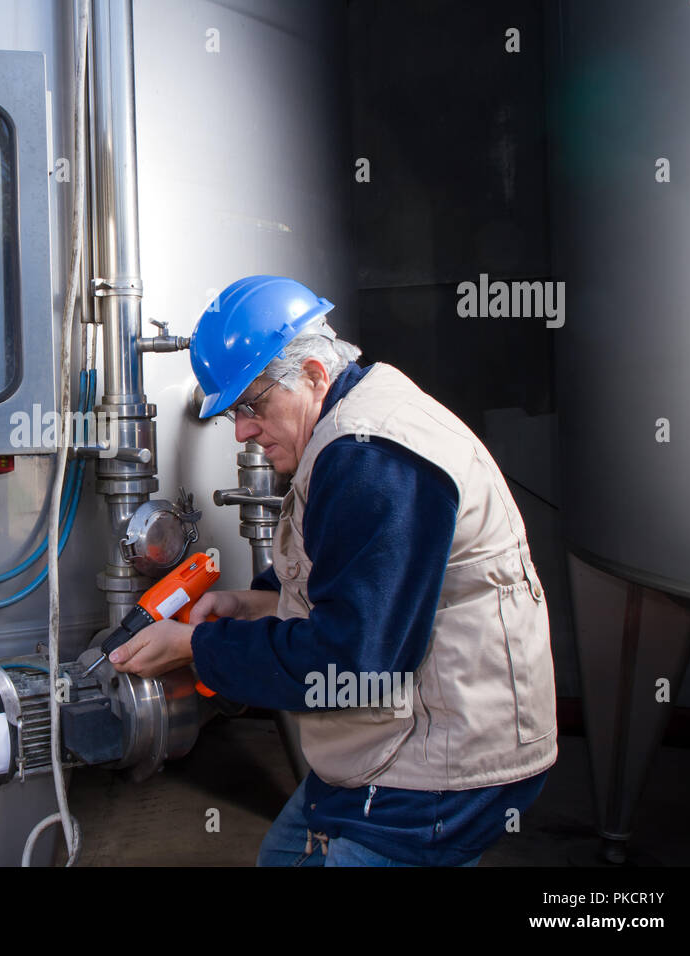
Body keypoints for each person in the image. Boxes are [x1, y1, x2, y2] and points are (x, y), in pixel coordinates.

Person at [109, 275, 557, 866]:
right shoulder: (349, 419)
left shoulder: (370, 458)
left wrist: (197, 647)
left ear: (316, 375)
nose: (242, 430)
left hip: (444, 762)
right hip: (405, 733)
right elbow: (354, 577)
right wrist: (253, 602)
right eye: (233, 413)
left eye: (252, 404)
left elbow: (352, 661)